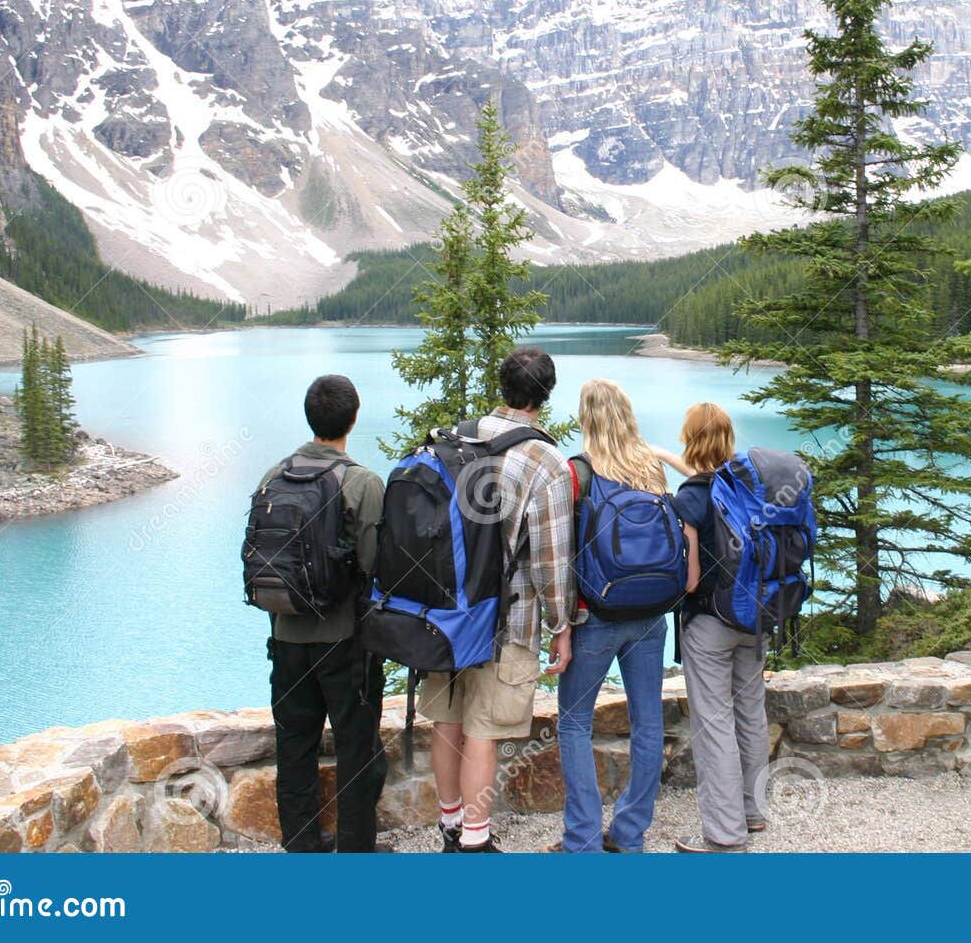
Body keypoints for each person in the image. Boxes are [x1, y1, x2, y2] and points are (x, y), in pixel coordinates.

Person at [419, 347, 575, 853]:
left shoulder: (454, 436)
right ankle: (475, 840)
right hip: (508, 618)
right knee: (483, 727)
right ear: (545, 395)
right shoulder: (545, 461)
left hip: (444, 611)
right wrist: (562, 625)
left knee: (447, 718)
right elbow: (552, 559)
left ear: (502, 385)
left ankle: (448, 824)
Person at [549, 379, 698, 853]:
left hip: (595, 614)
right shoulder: (650, 468)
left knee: (574, 723)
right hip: (652, 613)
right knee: (647, 721)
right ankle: (630, 833)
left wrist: (560, 624)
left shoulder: (579, 472)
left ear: (585, 418)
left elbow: (562, 554)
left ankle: (584, 840)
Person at [259, 374, 387, 853]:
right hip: (344, 641)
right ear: (353, 418)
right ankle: (356, 852)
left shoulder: (273, 476)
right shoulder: (362, 483)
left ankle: (302, 845)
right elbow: (375, 567)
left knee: (294, 747)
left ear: (310, 417)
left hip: (285, 637)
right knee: (355, 750)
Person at [656, 402, 769, 853]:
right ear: (727, 439)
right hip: (755, 616)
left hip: (709, 623)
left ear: (691, 439)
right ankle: (753, 813)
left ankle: (723, 835)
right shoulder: (746, 487)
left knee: (714, 724)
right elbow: (707, 479)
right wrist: (665, 457)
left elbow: (688, 577)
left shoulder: (690, 500)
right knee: (750, 713)